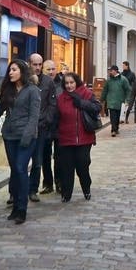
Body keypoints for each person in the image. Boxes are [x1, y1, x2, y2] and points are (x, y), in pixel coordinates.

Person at [0, 59, 41, 224]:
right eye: (9, 70)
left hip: (26, 137)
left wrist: (27, 137)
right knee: (15, 170)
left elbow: (34, 116)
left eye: (14, 69)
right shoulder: (8, 90)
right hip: (10, 136)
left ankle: (22, 208)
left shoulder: (33, 91)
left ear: (22, 71)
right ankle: (15, 205)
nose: (10, 72)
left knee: (21, 168)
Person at [56, 72, 101, 202]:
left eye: (72, 82)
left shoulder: (86, 93)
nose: (69, 86)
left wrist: (82, 103)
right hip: (66, 138)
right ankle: (66, 194)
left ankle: (86, 189)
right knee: (67, 168)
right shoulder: (61, 98)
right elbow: (56, 117)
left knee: (82, 165)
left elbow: (97, 107)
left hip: (84, 138)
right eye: (67, 83)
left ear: (77, 82)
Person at [27, 53, 58, 202]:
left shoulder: (48, 82)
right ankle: (15, 192)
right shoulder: (24, 80)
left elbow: (52, 104)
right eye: (35, 64)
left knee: (37, 161)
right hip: (24, 127)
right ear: (29, 64)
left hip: (41, 127)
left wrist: (47, 120)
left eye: (40, 65)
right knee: (20, 163)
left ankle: (33, 189)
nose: (38, 68)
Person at [40, 59, 62, 194]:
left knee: (59, 156)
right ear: (43, 70)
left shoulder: (63, 83)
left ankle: (59, 182)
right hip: (45, 125)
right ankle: (48, 183)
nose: (51, 72)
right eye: (48, 69)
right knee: (44, 156)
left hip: (60, 125)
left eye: (53, 69)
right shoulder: (39, 82)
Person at [101, 65, 131, 136]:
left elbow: (128, 90)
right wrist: (102, 99)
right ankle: (113, 130)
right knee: (112, 116)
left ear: (115, 71)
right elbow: (105, 90)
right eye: (110, 71)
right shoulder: (109, 80)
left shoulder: (123, 79)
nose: (110, 72)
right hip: (111, 101)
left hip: (120, 101)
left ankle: (116, 128)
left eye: (111, 70)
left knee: (117, 117)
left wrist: (127, 100)